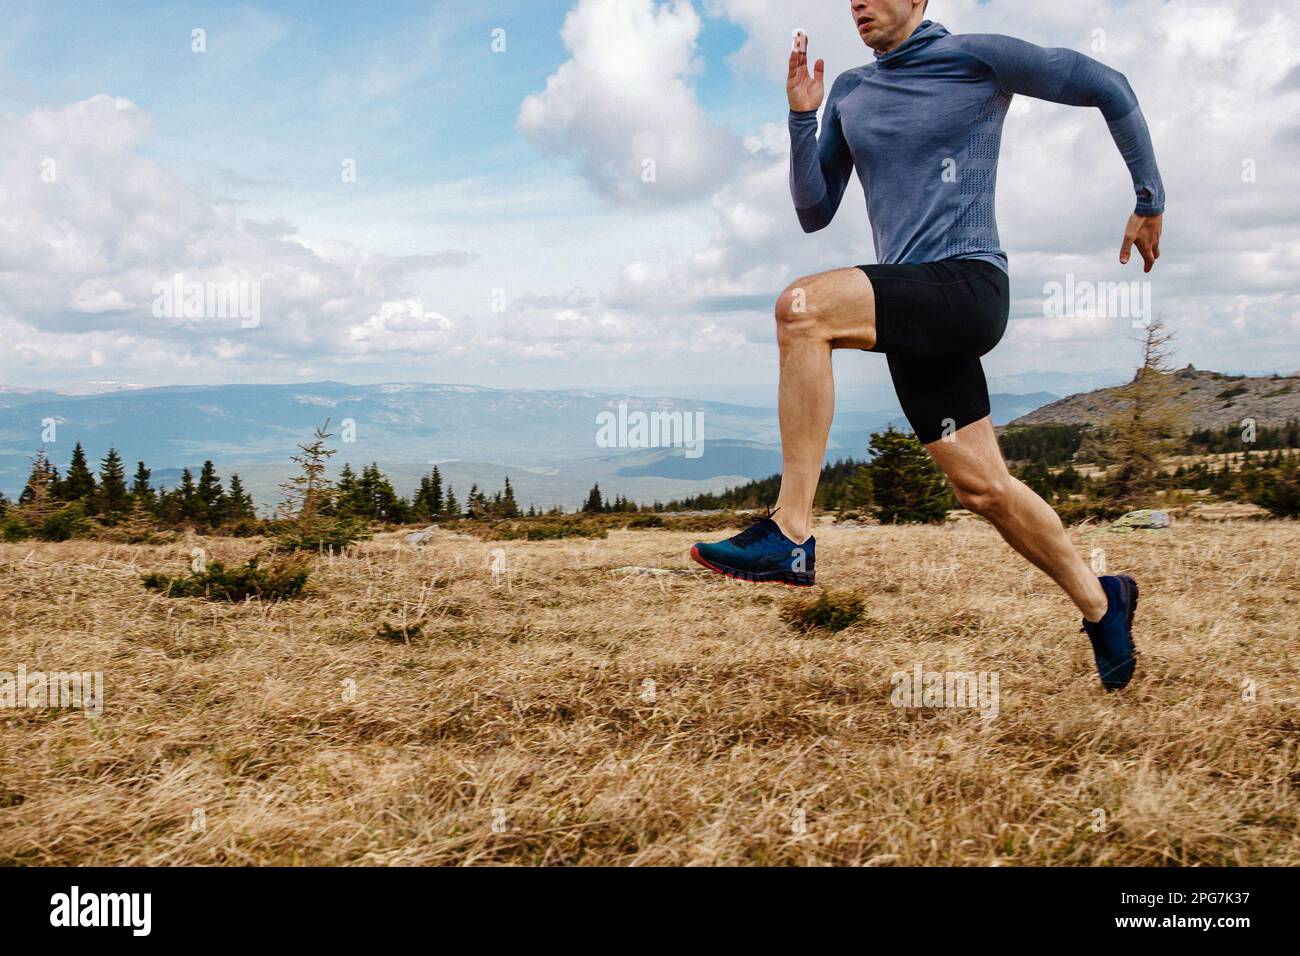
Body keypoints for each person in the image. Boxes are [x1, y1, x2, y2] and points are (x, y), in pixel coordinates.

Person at [690, 0, 1165, 691]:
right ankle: (1103, 601)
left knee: (802, 309)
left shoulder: (977, 59)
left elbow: (1108, 85)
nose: (859, 4)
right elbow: (814, 210)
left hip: (968, 287)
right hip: (916, 313)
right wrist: (802, 117)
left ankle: (790, 532)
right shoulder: (852, 90)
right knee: (983, 488)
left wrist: (1149, 198)